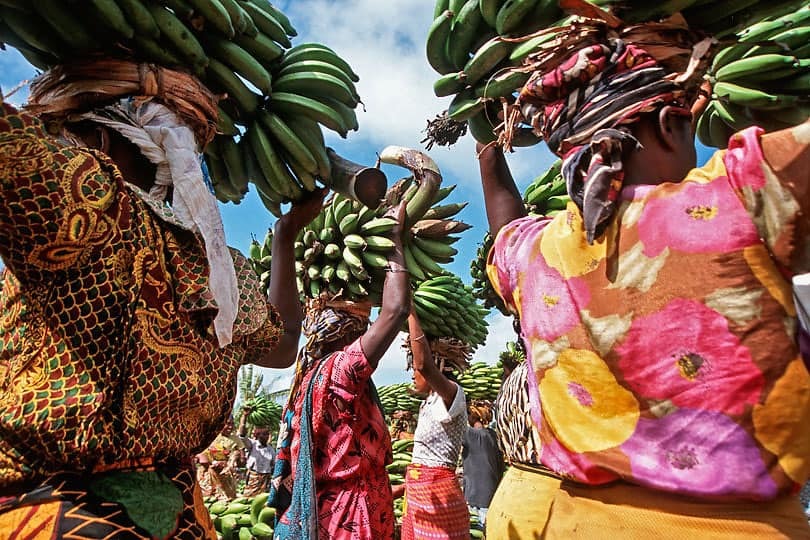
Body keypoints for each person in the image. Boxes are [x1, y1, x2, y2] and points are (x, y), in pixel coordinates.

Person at [477, 12, 810, 538]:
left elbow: (505, 228)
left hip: (570, 521)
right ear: (669, 125)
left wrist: (487, 149)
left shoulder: (534, 255)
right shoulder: (739, 193)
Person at [0, 60, 323, 539]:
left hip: (58, 515)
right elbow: (284, 344)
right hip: (180, 519)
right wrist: (285, 239)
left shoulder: (89, 201)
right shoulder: (224, 271)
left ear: (99, 143)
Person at [269, 200, 412, 539]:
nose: (365, 335)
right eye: (360, 329)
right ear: (345, 332)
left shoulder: (308, 377)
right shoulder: (340, 370)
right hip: (351, 517)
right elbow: (396, 310)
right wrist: (394, 236)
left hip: (335, 510)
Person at [396, 310, 469, 540]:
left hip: (438, 493)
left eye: (414, 369)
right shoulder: (427, 403)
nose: (413, 374)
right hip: (418, 493)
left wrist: (410, 311)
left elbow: (424, 364)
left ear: (437, 364)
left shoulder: (453, 394)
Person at [462, 401, 504, 529]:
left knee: (479, 530)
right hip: (492, 491)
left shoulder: (471, 434)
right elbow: (500, 465)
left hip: (476, 494)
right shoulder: (493, 435)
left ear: (472, 417)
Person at [236, 410, 276, 497]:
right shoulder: (252, 445)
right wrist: (244, 417)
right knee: (249, 497)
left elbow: (274, 464)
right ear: (257, 435)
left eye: (267, 434)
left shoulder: (270, 450)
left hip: (265, 478)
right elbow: (242, 435)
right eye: (263, 434)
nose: (266, 436)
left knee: (262, 499)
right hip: (253, 476)